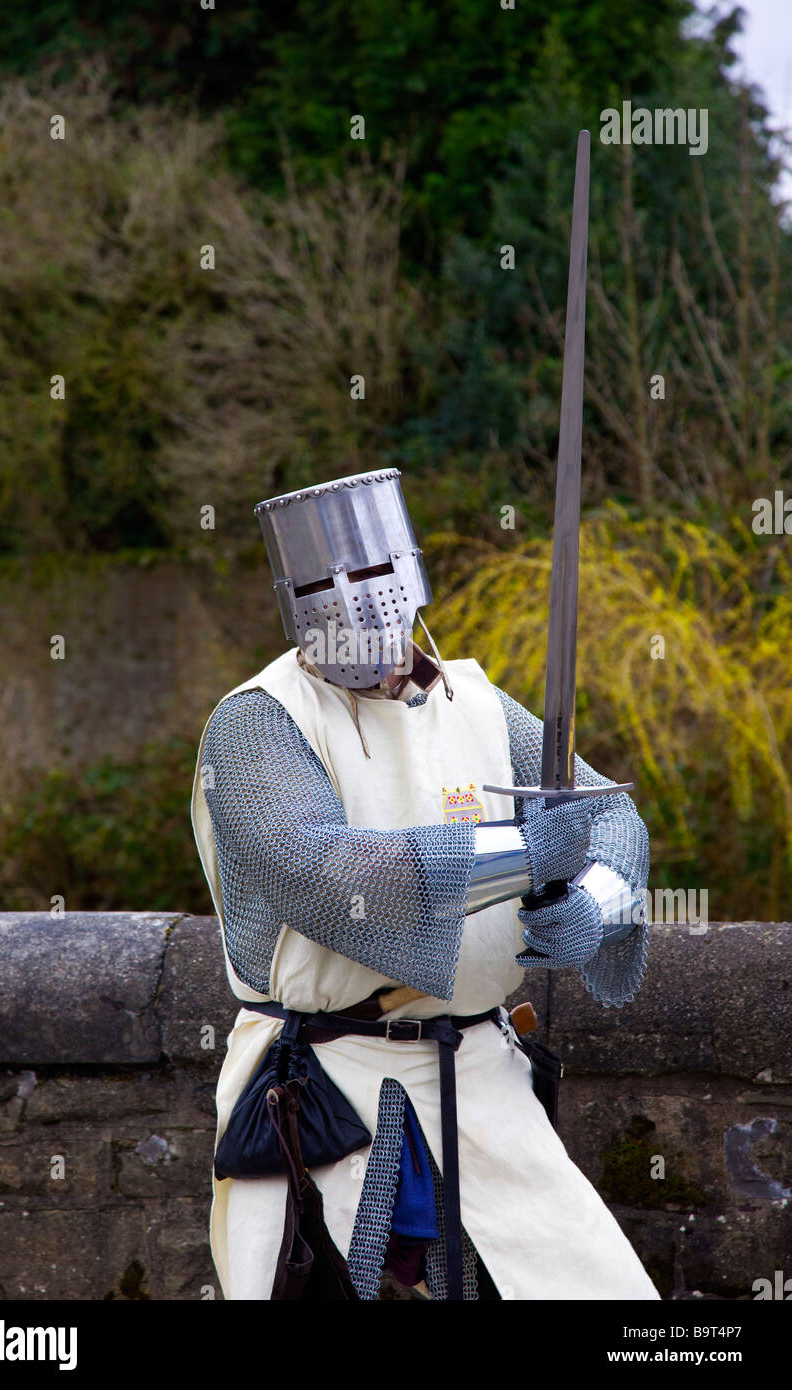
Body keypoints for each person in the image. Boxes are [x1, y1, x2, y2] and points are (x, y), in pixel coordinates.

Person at [191, 467, 659, 1301]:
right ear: (289, 595)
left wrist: (592, 902)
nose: (354, 600)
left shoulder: (476, 703)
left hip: (482, 1072)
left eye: (373, 575)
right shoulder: (258, 720)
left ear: (408, 572)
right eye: (325, 584)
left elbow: (610, 816)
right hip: (328, 1085)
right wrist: (521, 849)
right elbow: (324, 875)